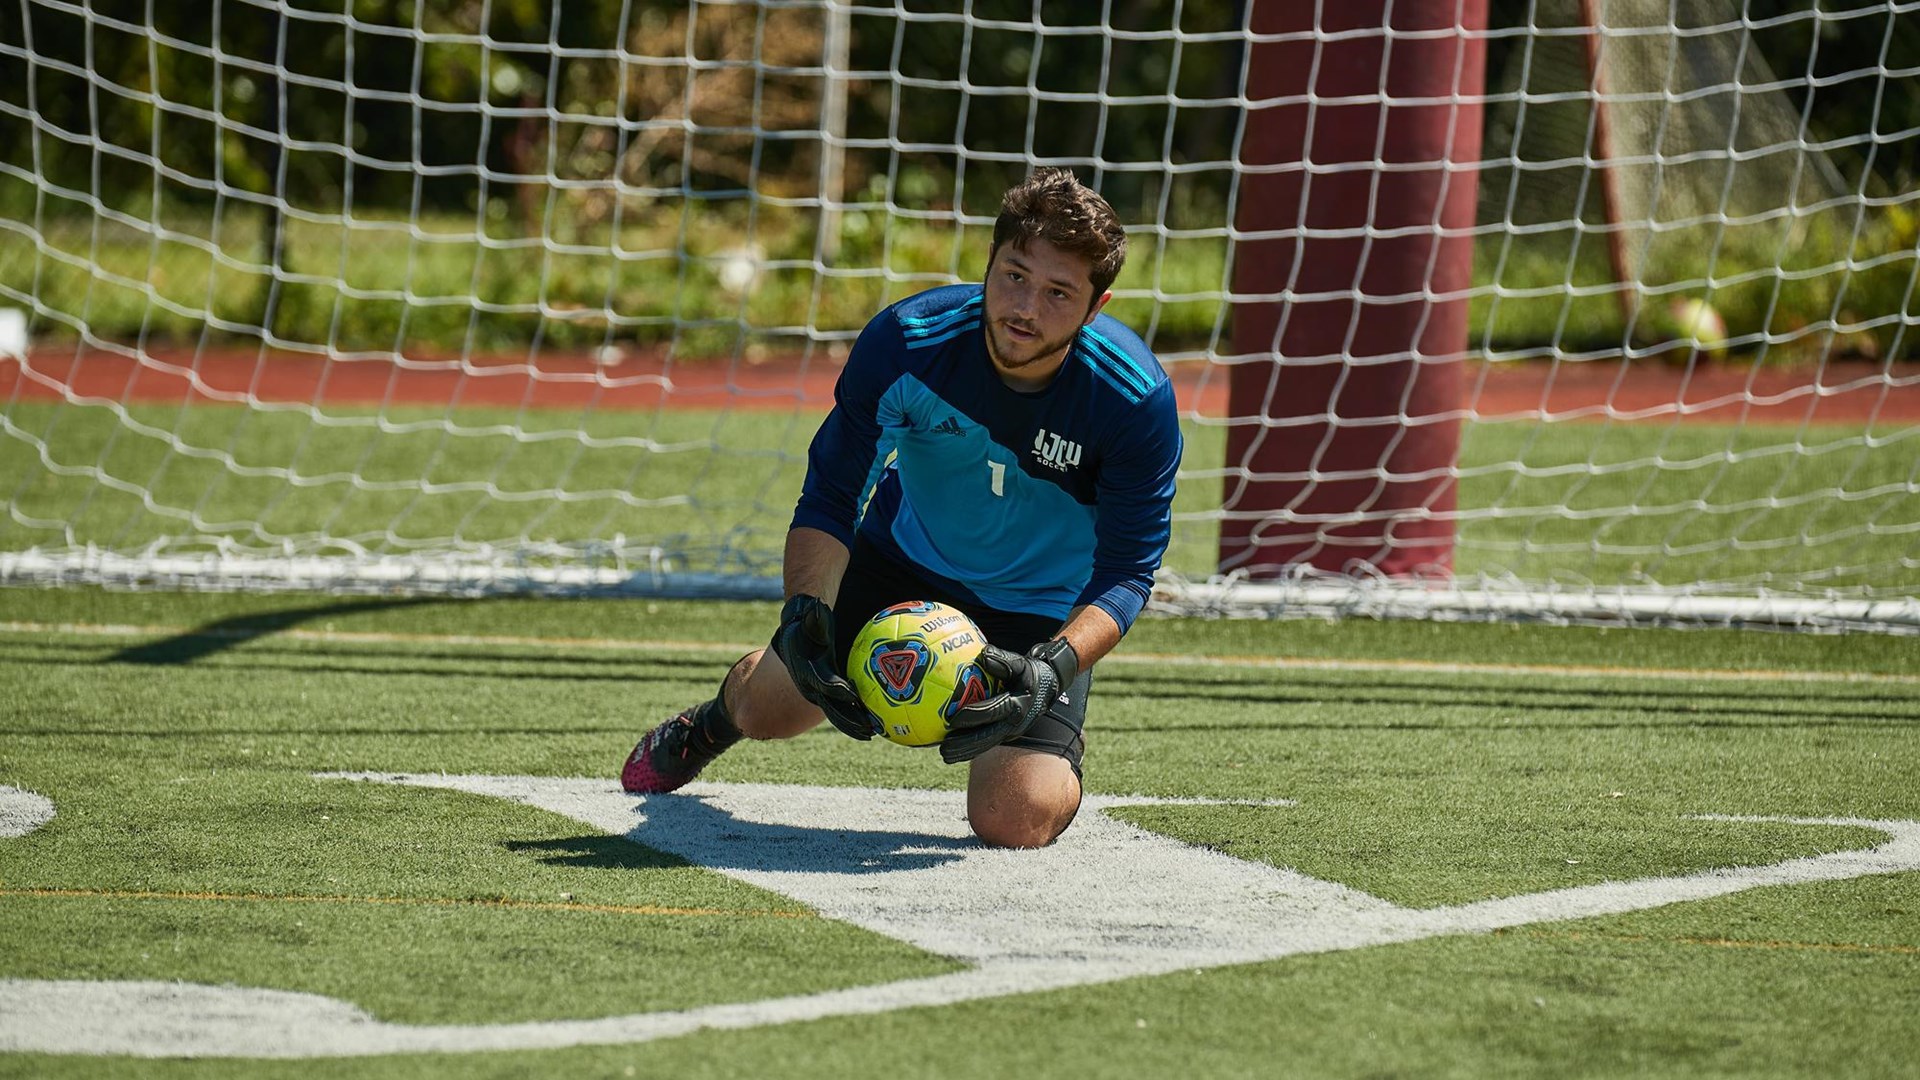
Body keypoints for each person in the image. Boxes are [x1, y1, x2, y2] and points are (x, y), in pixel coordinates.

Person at [621, 168, 1182, 848]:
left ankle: (1056, 742)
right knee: (771, 708)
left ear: (1096, 308)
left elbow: (1127, 573)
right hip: (901, 563)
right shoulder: (909, 341)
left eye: (1058, 292)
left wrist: (1053, 667)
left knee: (1016, 819)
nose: (1025, 308)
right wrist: (804, 616)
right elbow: (832, 496)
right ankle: (711, 723)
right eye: (1014, 276)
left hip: (1041, 610)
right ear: (989, 262)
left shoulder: (1133, 400)